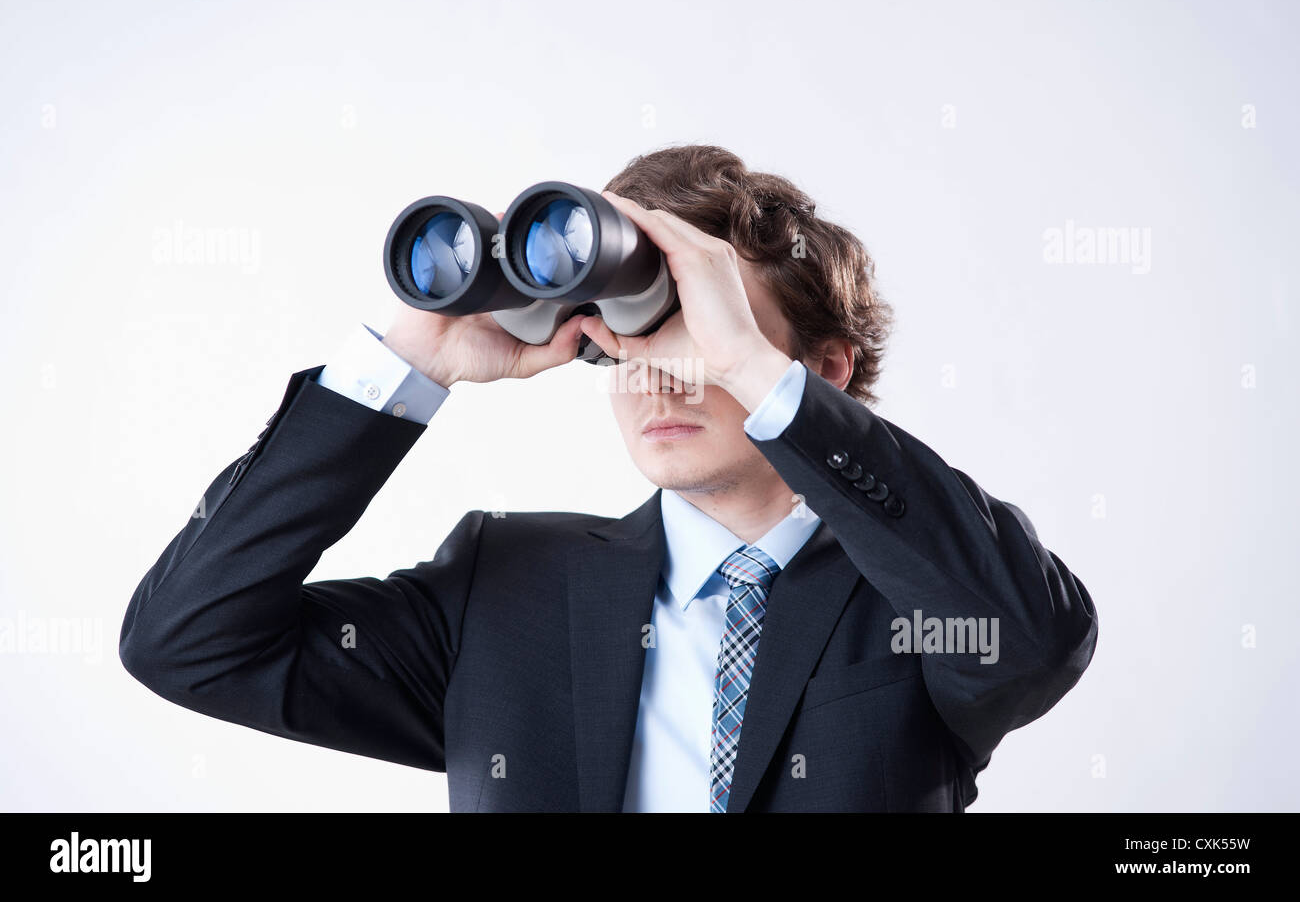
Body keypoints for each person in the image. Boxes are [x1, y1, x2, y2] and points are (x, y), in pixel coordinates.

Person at [119, 144, 1098, 812]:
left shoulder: (913, 596)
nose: (658, 371)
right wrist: (405, 365)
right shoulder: (506, 587)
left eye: (700, 333)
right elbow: (189, 642)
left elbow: (1032, 635)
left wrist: (756, 370)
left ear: (824, 370)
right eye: (633, 333)